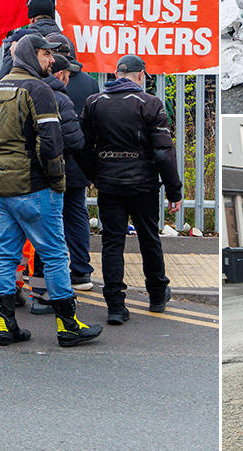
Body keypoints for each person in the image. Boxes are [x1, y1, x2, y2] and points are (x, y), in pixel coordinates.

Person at [0, 34, 101, 348]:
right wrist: (54, 179)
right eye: (47, 55)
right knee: (55, 254)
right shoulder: (39, 90)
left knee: (6, 256)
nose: (52, 61)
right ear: (33, 55)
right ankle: (68, 325)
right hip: (36, 186)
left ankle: (5, 326)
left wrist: (2, 167)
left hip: (3, 186)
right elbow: (50, 142)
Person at [82, 54, 182, 325]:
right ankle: (158, 295)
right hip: (143, 184)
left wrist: (96, 174)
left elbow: (83, 147)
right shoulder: (149, 104)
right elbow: (163, 152)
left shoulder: (94, 104)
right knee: (149, 238)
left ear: (116, 74)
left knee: (112, 242)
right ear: (141, 75)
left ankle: (115, 305)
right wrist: (174, 191)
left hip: (109, 183)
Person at [44, 49, 93, 291]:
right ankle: (82, 271)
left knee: (48, 220)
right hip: (78, 164)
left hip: (49, 167)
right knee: (76, 215)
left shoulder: (38, 87)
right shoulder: (90, 84)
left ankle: (49, 277)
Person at [0, 0, 60, 80]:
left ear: (31, 20)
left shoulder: (22, 41)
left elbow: (3, 75)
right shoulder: (63, 41)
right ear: (52, 18)